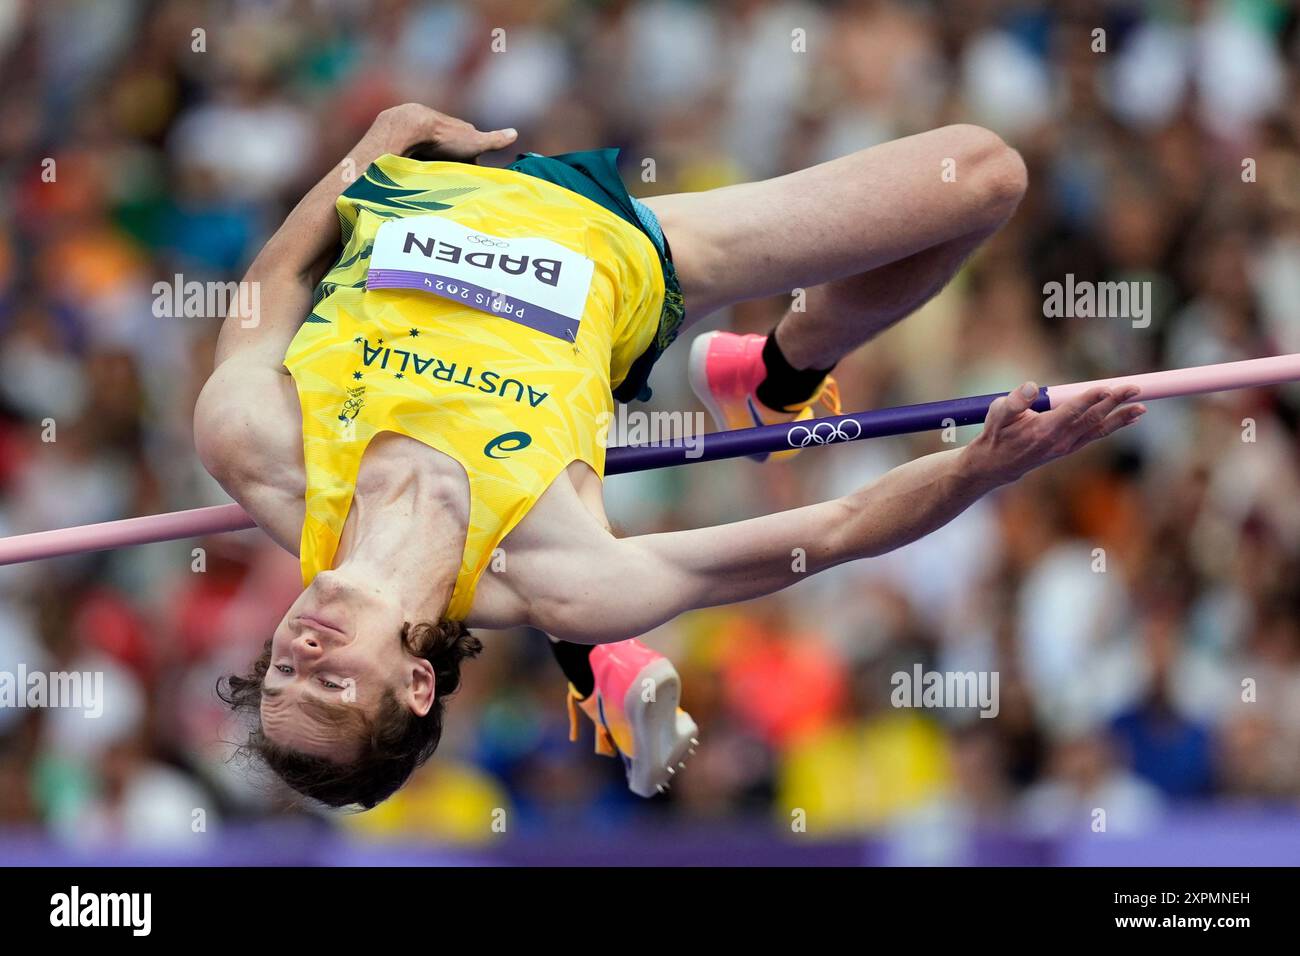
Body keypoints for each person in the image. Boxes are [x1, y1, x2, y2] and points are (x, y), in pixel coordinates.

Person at [194, 104, 1145, 809]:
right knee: (982, 177)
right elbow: (838, 530)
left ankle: (768, 376)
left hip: (432, 188)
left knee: (978, 176)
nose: (302, 654)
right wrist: (983, 469)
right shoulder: (564, 575)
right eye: (329, 683)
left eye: (280, 674)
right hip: (634, 247)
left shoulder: (259, 449)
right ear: (414, 684)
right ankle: (787, 367)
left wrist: (374, 143)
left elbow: (272, 283)